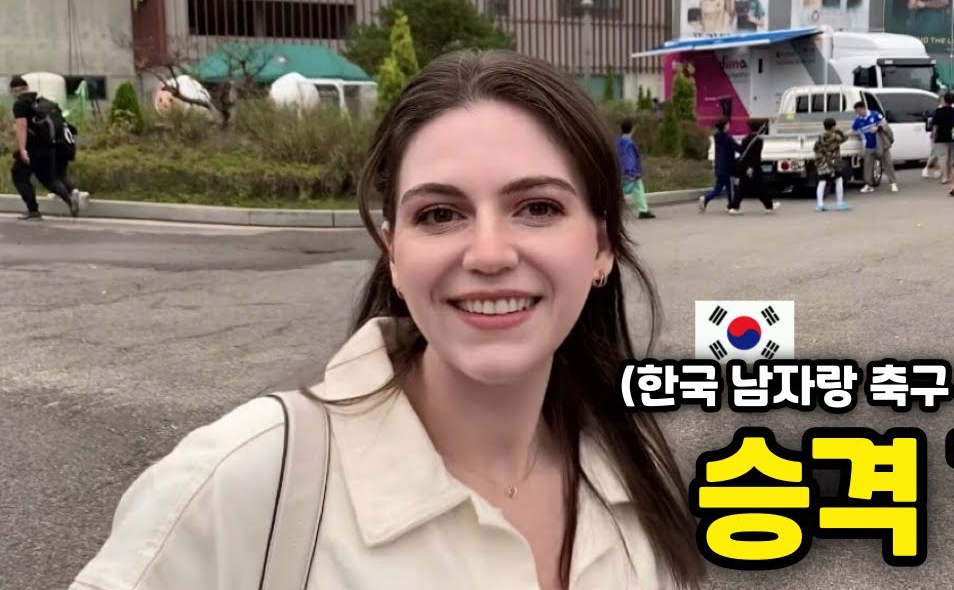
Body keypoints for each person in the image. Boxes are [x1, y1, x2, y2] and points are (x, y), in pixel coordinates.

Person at [70, 51, 706, 590]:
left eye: (537, 207)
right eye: (438, 214)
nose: (488, 254)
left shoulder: (633, 468)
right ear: (394, 252)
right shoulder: (247, 480)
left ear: (600, 247)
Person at [8, 76, 79, 220]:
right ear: (27, 88)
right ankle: (70, 200)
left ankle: (33, 210)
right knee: (50, 179)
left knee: (19, 175)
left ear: (14, 91)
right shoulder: (42, 102)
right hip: (49, 147)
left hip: (33, 149)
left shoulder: (20, 104)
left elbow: (21, 127)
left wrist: (22, 150)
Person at [728, 118, 777, 214]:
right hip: (754, 168)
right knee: (760, 187)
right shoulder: (759, 140)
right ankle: (769, 206)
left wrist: (746, 167)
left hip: (745, 167)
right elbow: (756, 156)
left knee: (743, 188)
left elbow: (743, 153)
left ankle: (734, 207)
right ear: (759, 128)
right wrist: (752, 167)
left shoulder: (745, 139)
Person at [852, 100, 897, 193]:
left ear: (862, 109)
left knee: (888, 164)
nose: (857, 113)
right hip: (869, 145)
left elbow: (885, 125)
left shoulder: (875, 115)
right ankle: (868, 184)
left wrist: (878, 128)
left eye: (858, 111)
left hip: (881, 144)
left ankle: (893, 183)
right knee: (867, 166)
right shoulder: (858, 120)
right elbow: (853, 130)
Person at [617, 119, 656, 219]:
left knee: (638, 189)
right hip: (630, 173)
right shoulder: (628, 143)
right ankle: (608, 210)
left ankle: (643, 210)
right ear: (632, 129)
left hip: (624, 171)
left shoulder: (619, 142)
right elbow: (628, 159)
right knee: (622, 191)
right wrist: (631, 173)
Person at [698, 117, 739, 212]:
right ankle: (731, 206)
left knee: (718, 189)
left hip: (719, 167)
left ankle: (705, 199)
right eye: (728, 124)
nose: (729, 125)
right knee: (730, 188)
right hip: (727, 167)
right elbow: (737, 148)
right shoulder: (728, 138)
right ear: (725, 126)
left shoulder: (717, 137)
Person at [812, 117, 850, 211]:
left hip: (821, 161)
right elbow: (845, 138)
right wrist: (838, 130)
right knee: (838, 180)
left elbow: (815, 148)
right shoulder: (834, 137)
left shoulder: (821, 136)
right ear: (833, 126)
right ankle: (840, 203)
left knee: (822, 181)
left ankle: (820, 204)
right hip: (832, 162)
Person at [925, 91, 954, 182]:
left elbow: (935, 126)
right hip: (953, 138)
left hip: (941, 138)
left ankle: (944, 177)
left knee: (942, 158)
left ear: (944, 100)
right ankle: (951, 176)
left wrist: (934, 136)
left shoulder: (938, 112)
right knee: (951, 158)